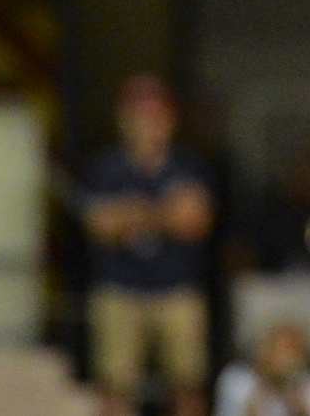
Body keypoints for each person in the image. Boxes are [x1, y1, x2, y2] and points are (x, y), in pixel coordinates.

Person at [84, 74, 215, 416]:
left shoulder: (189, 164)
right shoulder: (106, 166)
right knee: (115, 386)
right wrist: (164, 212)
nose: (145, 125)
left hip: (176, 288)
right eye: (137, 116)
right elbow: (99, 224)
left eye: (154, 116)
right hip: (119, 288)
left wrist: (134, 214)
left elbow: (195, 220)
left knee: (186, 384)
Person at [212, 320, 310, 416]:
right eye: (278, 349)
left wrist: (292, 394)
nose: (284, 358)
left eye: (290, 351)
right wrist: (264, 386)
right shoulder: (238, 378)